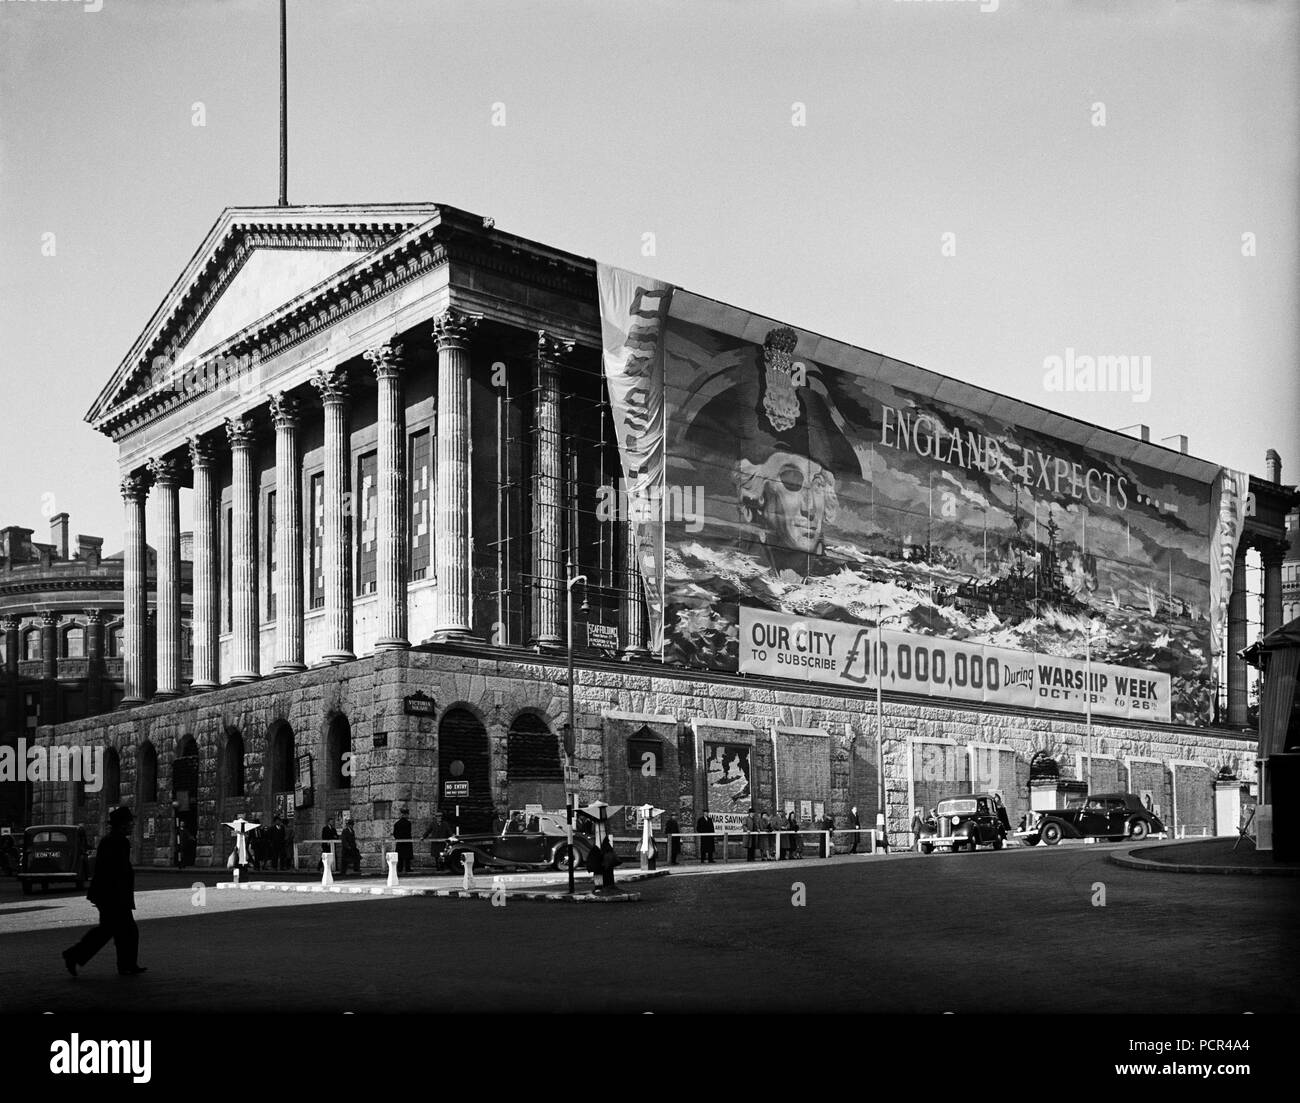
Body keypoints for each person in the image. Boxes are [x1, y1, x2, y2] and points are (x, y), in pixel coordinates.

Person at [63, 806, 146, 977]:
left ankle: (125, 965)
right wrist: (119, 898)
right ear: (122, 825)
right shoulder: (118, 841)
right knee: (123, 931)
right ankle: (75, 955)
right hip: (113, 896)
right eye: (130, 822)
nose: (132, 825)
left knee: (113, 930)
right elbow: (115, 872)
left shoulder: (113, 840)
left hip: (109, 895)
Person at [393, 807, 413, 873]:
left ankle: (400, 869)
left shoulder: (397, 823)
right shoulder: (408, 823)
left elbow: (394, 834)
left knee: (400, 857)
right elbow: (409, 832)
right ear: (406, 815)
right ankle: (407, 868)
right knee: (407, 857)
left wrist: (398, 839)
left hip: (400, 842)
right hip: (407, 842)